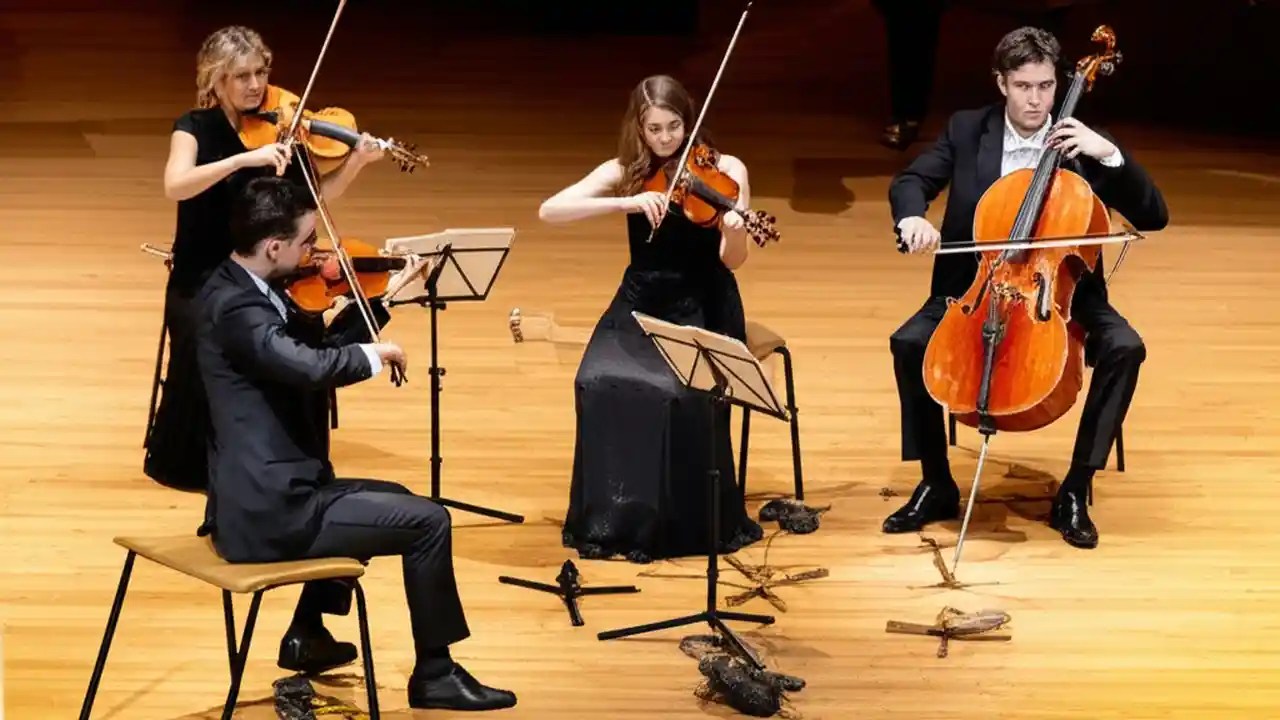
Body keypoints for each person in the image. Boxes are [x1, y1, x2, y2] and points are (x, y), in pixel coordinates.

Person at [196, 175, 517, 711]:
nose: (316, 253)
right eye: (306, 242)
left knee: (393, 496)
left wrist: (384, 300)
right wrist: (375, 355)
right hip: (269, 515)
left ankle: (308, 634)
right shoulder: (236, 308)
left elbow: (314, 348)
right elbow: (307, 367)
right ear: (273, 246)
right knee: (429, 521)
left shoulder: (248, 285)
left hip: (273, 496)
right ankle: (435, 673)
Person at [882, 27, 1169, 549]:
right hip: (974, 286)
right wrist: (911, 218)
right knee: (908, 343)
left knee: (1126, 347)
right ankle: (936, 482)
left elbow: (1155, 215)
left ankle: (1076, 489)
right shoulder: (967, 129)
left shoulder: (1083, 142)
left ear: (1058, 83)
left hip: (1061, 294)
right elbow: (911, 181)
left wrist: (1109, 154)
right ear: (1002, 83)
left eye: (1045, 86)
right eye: (1023, 86)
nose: (1036, 100)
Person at [145, 25, 385, 492]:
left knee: (305, 329)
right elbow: (176, 184)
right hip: (204, 276)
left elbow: (310, 204)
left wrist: (354, 162)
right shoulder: (193, 127)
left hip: (269, 275)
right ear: (216, 80)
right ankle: (198, 462)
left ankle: (288, 452)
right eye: (241, 76)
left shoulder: (284, 131)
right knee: (209, 336)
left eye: (260, 72)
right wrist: (241, 161)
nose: (255, 85)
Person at [537, 74, 764, 563]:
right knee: (594, 380)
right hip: (639, 300)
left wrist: (734, 230)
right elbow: (550, 211)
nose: (665, 138)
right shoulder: (627, 171)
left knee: (675, 394)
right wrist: (628, 201)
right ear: (639, 128)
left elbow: (733, 261)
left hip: (703, 302)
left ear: (689, 120)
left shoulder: (726, 170)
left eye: (674, 126)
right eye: (654, 129)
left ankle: (678, 524)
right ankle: (618, 517)